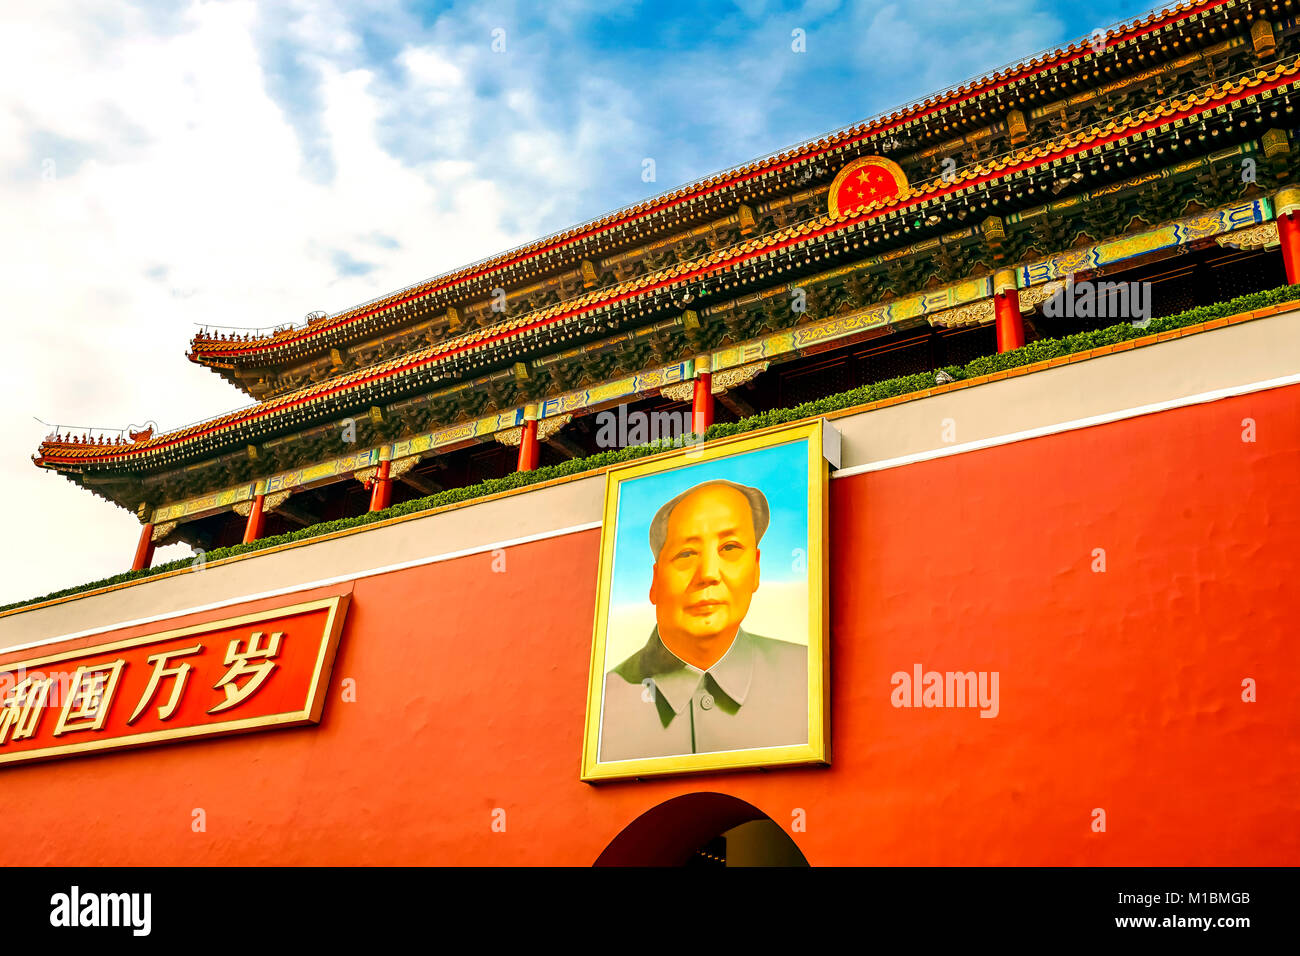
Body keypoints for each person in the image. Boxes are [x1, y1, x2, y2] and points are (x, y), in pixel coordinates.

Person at [599, 479, 807, 761]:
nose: (708, 573)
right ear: (655, 581)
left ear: (756, 567)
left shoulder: (806, 676)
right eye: (686, 554)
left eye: (730, 548)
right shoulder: (605, 703)